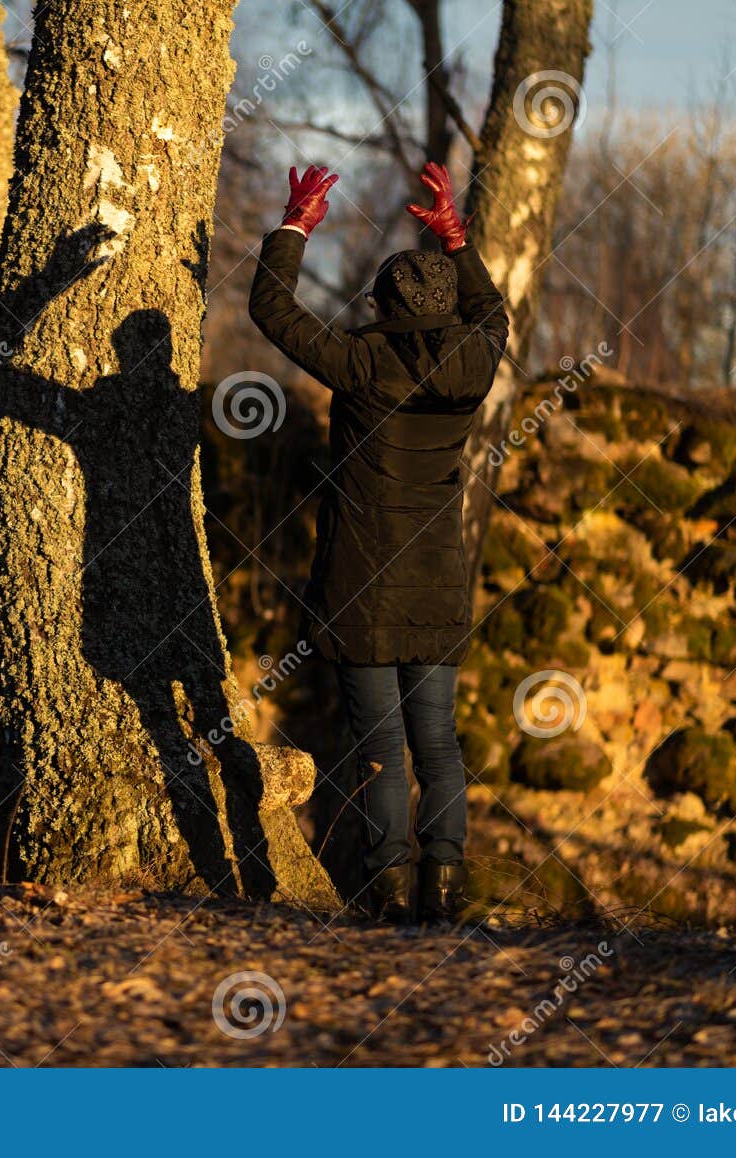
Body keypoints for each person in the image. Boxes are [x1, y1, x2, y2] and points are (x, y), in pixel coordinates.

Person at [248, 161, 508, 924]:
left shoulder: (360, 363)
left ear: (382, 304)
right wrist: (457, 241)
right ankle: (446, 884)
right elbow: (493, 312)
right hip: (437, 582)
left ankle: (389, 888)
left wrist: (296, 225)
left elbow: (271, 310)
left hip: (361, 583)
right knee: (438, 741)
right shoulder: (474, 363)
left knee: (381, 746)